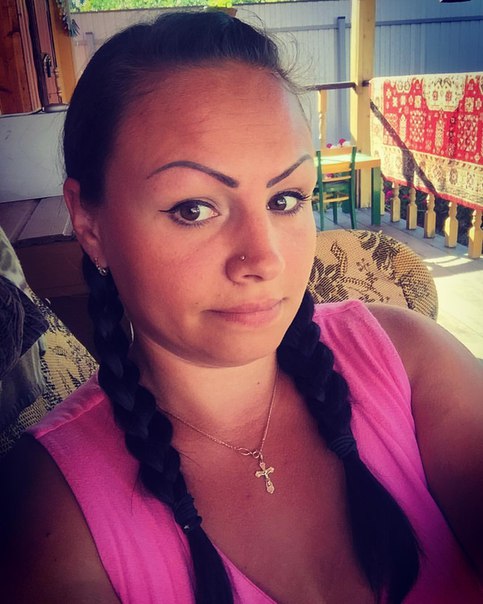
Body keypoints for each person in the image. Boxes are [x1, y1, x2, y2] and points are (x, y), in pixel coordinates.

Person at [0, 10, 482, 604]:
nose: (264, 259)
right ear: (89, 223)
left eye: (285, 199)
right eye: (193, 209)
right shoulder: (50, 507)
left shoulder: (406, 360)